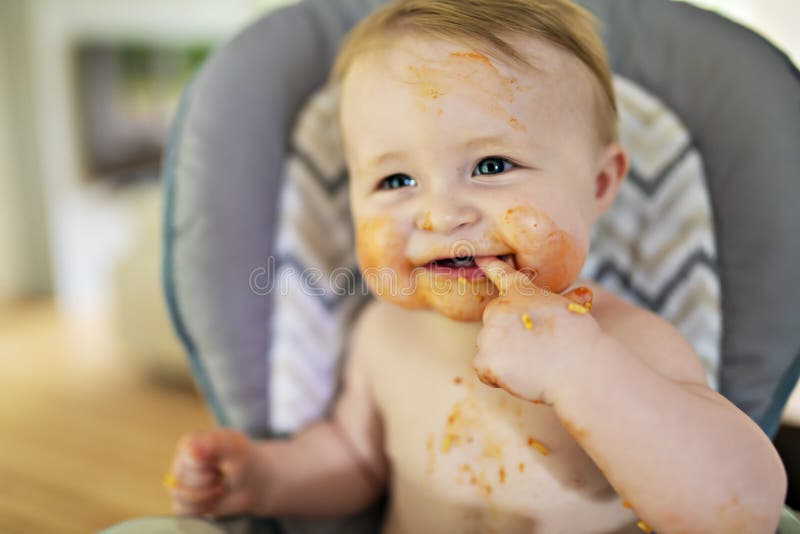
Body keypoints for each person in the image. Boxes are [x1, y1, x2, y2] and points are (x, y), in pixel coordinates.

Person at [164, 1, 787, 531]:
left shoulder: (627, 343)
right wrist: (263, 478)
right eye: (395, 179)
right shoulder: (384, 336)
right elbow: (355, 461)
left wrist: (582, 370)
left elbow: (742, 510)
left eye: (491, 166)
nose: (438, 215)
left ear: (599, 185)